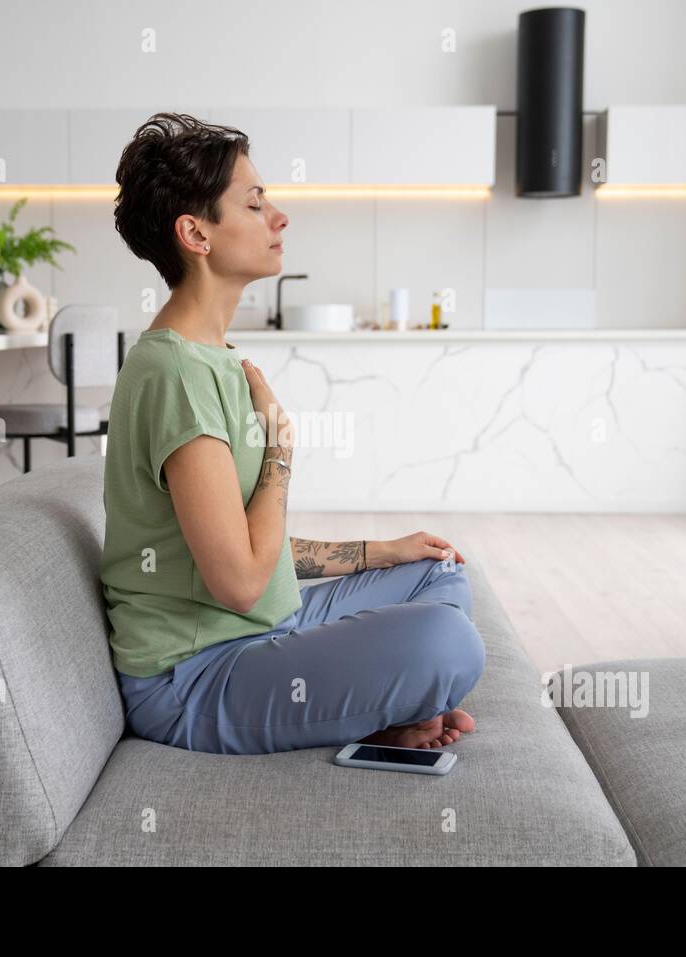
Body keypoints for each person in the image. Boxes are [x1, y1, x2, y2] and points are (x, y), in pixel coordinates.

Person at [102, 113, 485, 755]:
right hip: (198, 678)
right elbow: (241, 582)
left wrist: (379, 551)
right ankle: (392, 707)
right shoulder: (174, 373)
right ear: (195, 233)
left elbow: (251, 544)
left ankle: (391, 711)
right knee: (448, 644)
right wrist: (281, 450)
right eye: (254, 204)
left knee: (437, 573)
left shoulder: (213, 357)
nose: (279, 216)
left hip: (265, 629)